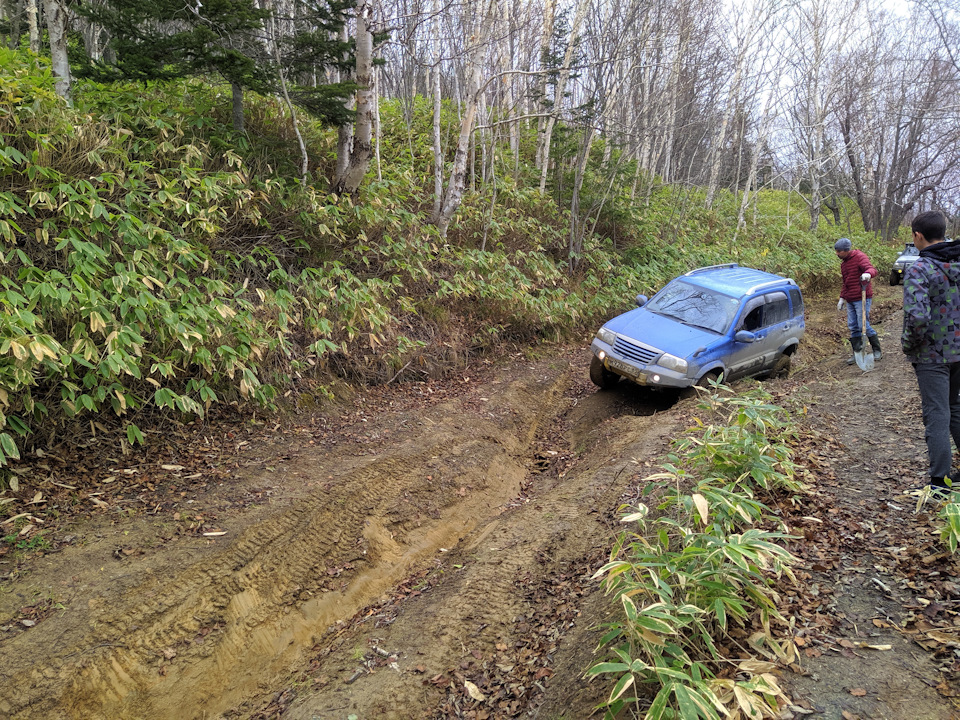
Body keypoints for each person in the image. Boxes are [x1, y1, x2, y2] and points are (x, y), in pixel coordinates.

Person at [902, 210, 960, 493]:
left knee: (937, 413)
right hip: (959, 351)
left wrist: (909, 345)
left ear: (918, 236)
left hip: (932, 356)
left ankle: (940, 482)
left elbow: (917, 318)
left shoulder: (919, 269)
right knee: (955, 407)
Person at [835, 237, 881, 364]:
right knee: (853, 326)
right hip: (850, 298)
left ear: (846, 250)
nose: (837, 254)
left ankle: (877, 351)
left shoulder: (860, 257)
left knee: (863, 325)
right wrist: (842, 298)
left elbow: (872, 270)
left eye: (839, 251)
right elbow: (846, 283)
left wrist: (868, 274)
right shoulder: (844, 264)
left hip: (862, 296)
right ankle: (857, 353)